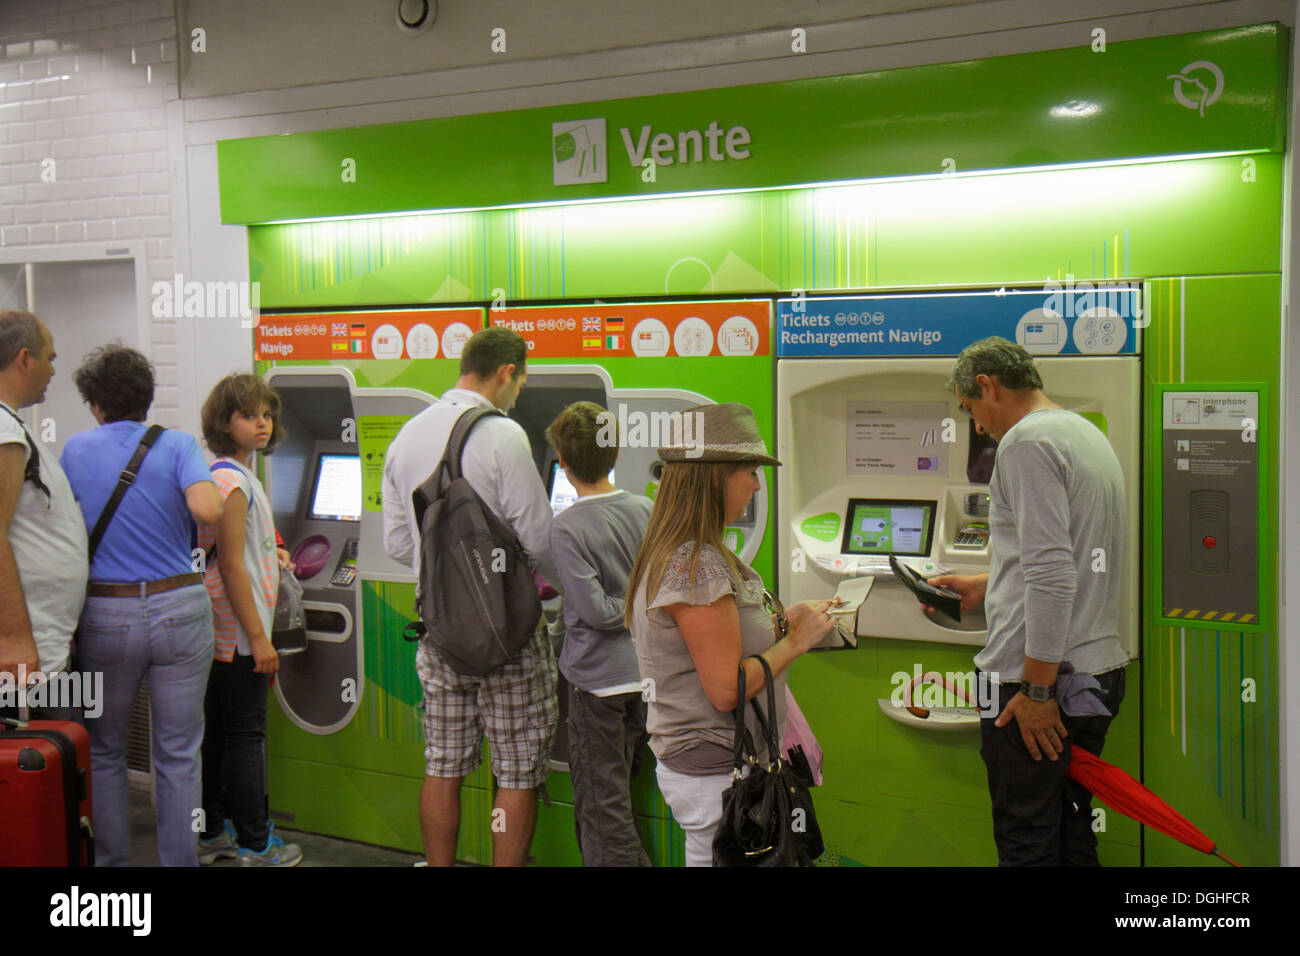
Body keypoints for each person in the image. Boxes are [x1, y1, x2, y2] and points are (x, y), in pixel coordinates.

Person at [930, 336, 1129, 866]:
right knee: (1070, 829)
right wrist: (987, 583)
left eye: (968, 407)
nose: (975, 424)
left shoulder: (1024, 444)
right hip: (1096, 673)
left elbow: (1052, 573)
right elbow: (1067, 554)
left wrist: (1038, 691)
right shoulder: (1083, 434)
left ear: (987, 387)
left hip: (1037, 682)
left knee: (1026, 844)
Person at [625, 402, 834, 867]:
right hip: (714, 771)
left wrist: (782, 621)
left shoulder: (695, 551)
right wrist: (796, 643)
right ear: (716, 476)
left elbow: (726, 634)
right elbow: (725, 689)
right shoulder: (694, 564)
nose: (757, 485)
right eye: (750, 472)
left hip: (714, 768)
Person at [383, 326, 559, 867]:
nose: (516, 395)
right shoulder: (503, 434)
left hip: (438, 634)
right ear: (507, 372)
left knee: (444, 763)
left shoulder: (406, 435)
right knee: (517, 769)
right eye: (520, 385)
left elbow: (396, 544)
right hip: (506, 635)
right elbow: (538, 537)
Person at [60, 345, 222, 867]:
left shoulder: (75, 450)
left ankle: (111, 872)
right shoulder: (177, 445)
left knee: (105, 751)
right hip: (180, 605)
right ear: (146, 400)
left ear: (94, 405)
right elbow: (207, 508)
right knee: (177, 754)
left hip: (106, 614)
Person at [194, 374, 302, 867]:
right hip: (237, 633)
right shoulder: (231, 480)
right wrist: (258, 638)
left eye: (265, 414)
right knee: (245, 736)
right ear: (224, 423)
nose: (261, 423)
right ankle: (257, 845)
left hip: (221, 632)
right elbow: (232, 563)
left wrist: (275, 545)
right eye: (247, 415)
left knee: (219, 733)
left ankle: (214, 832)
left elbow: (244, 545)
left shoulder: (228, 475)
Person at [545, 401, 653, 867]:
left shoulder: (566, 526)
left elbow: (595, 613)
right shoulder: (646, 508)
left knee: (602, 807)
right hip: (643, 677)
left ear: (563, 464)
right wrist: (640, 606)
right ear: (615, 455)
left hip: (596, 685)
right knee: (614, 796)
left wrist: (623, 607)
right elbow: (656, 591)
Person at [0, 311, 87, 719]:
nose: (54, 369)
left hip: (45, 646)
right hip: (25, 659)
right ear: (24, 359)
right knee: (42, 769)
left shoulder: (15, 426)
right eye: (50, 358)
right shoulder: (3, 430)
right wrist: (14, 639)